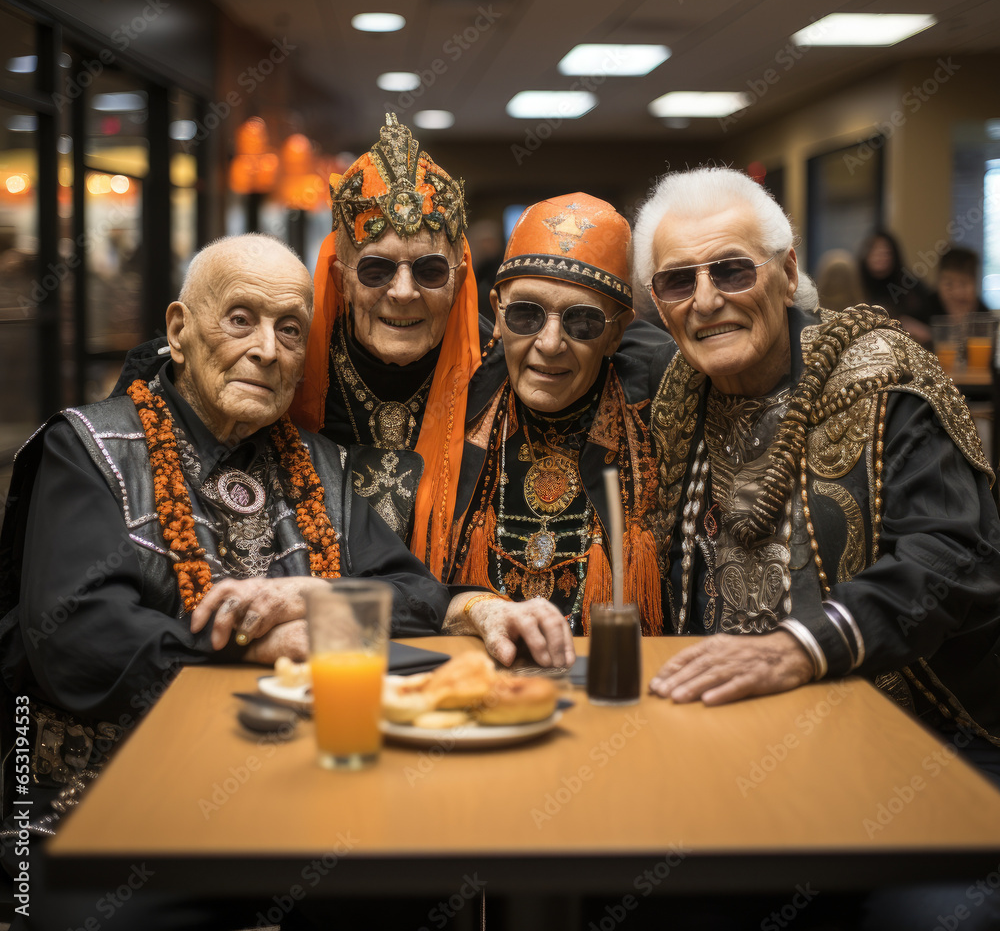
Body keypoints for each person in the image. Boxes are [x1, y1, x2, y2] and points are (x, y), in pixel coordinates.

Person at [0, 234, 454, 851]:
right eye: (241, 320)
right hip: (117, 810)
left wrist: (310, 599)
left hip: (300, 798)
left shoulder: (325, 466)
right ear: (179, 330)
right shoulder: (88, 449)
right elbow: (77, 636)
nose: (267, 350)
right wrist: (254, 648)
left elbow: (417, 597)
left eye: (290, 330)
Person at [628, 167, 1000, 777]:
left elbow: (948, 555)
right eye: (677, 281)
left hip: (910, 738)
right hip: (717, 722)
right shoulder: (675, 391)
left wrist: (801, 648)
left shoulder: (882, 375)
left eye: (732, 270)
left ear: (787, 273)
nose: (706, 301)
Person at [445, 193, 673, 656]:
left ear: (616, 332)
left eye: (582, 322)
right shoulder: (454, 402)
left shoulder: (663, 407)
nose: (549, 343)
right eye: (526, 314)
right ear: (498, 311)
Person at [290, 113, 490, 581]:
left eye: (430, 271)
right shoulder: (289, 366)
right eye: (377, 270)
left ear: (459, 279)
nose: (403, 292)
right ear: (341, 280)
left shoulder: (499, 370)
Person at [857, 229, 937, 346]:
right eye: (875, 251)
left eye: (886, 253)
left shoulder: (910, 285)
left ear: (895, 256)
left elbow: (931, 327)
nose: (880, 257)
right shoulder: (856, 284)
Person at [934, 245, 990, 319]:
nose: (957, 293)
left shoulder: (985, 316)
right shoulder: (925, 309)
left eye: (964, 284)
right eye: (949, 284)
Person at [814, 247, 864, 312]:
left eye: (842, 277)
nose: (838, 281)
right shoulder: (862, 311)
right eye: (834, 275)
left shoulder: (813, 310)